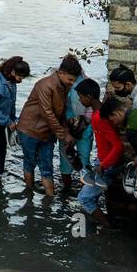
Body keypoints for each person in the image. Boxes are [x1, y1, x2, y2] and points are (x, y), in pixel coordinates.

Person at [16, 55, 81, 196]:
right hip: (30, 130)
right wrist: (63, 134)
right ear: (60, 73)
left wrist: (65, 131)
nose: (71, 83)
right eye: (70, 80)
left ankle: (49, 199)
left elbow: (61, 112)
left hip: (49, 132)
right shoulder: (45, 85)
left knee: (47, 166)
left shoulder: (65, 86)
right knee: (30, 162)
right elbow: (48, 113)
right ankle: (29, 195)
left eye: (73, 81)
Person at [77, 95, 127, 228]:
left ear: (88, 97)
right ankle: (99, 222)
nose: (79, 100)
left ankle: (107, 228)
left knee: (84, 199)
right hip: (104, 161)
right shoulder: (99, 116)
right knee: (91, 196)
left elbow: (118, 146)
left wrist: (102, 166)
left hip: (106, 164)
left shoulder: (99, 118)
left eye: (80, 97)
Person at [0, 59, 29, 185]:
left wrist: (13, 119)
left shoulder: (10, 82)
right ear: (12, 71)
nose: (21, 80)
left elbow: (11, 103)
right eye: (20, 76)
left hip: (3, 119)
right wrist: (7, 121)